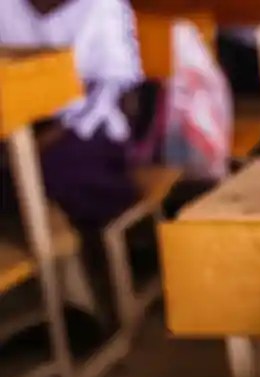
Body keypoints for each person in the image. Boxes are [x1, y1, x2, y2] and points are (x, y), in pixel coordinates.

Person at [0, 0, 154, 232]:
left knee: (59, 177)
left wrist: (52, 135)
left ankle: (86, 250)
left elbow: (117, 93)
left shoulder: (101, 7)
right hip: (16, 129)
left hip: (89, 131)